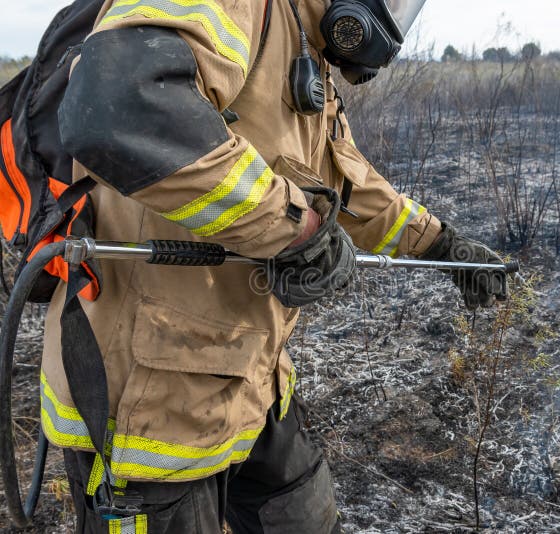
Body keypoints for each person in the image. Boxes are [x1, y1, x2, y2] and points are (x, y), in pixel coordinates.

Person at [44, 0, 507, 532]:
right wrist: (296, 229)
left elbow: (346, 181)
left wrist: (442, 246)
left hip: (250, 376)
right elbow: (117, 103)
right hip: (146, 403)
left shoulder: (300, 40)